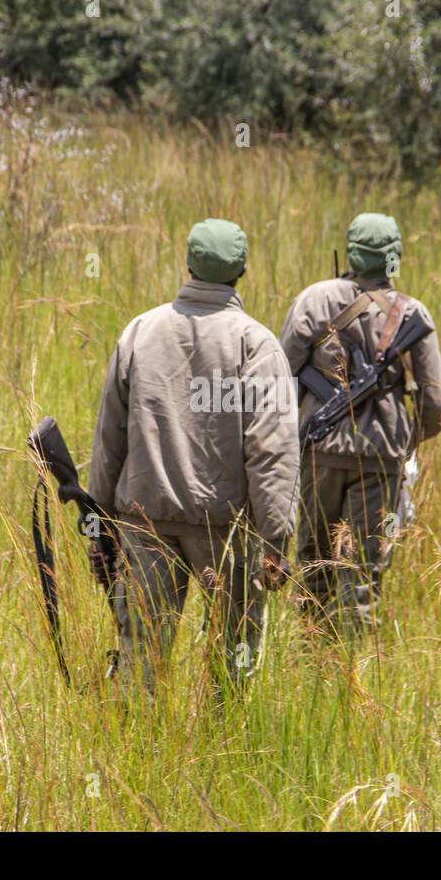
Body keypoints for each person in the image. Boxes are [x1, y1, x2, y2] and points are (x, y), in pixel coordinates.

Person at [89, 218, 300, 692]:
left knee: (140, 656)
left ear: (188, 264)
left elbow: (109, 440)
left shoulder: (140, 332)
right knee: (235, 658)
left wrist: (99, 520)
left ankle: (132, 754)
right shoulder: (257, 345)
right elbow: (273, 454)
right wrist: (275, 540)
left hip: (145, 525)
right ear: (242, 270)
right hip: (226, 533)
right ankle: (226, 747)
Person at [279, 213, 441, 642]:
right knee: (363, 573)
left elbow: (279, 373)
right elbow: (439, 402)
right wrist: (407, 441)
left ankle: (313, 662)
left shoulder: (314, 300)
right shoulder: (413, 312)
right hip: (380, 461)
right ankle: (354, 673)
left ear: (350, 253)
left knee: (313, 563)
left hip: (318, 455)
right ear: (394, 258)